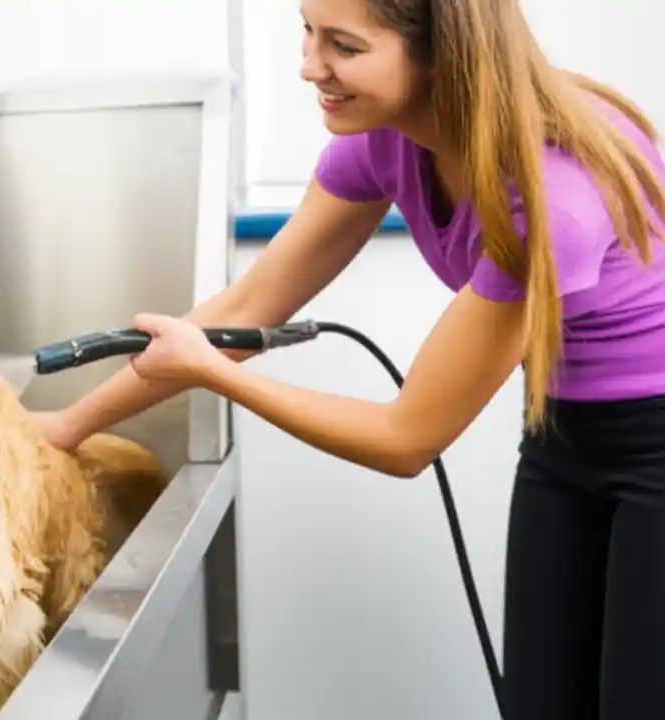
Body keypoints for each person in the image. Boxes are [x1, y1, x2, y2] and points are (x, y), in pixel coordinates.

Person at [35, 0, 665, 717]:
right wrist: (68, 427)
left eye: (343, 45)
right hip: (559, 437)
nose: (309, 66)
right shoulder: (385, 142)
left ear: (441, 54)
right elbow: (244, 313)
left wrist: (210, 371)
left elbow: (407, 439)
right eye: (307, 30)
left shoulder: (553, 199)